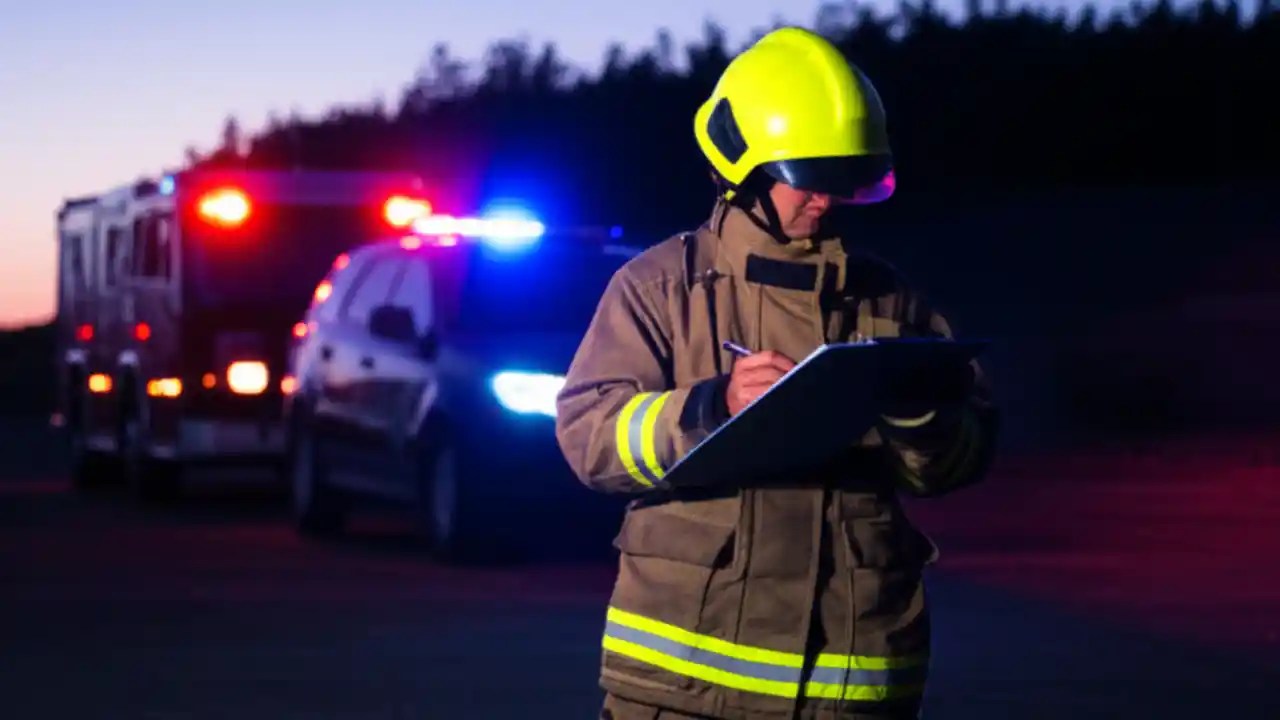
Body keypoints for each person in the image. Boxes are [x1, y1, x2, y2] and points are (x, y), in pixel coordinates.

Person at [555, 26, 999, 720]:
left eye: (841, 176)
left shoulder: (890, 300)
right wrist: (710, 408)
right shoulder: (662, 287)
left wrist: (924, 417)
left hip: (853, 689)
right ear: (746, 170)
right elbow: (587, 436)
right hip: (684, 690)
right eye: (807, 177)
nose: (825, 198)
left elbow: (959, 460)